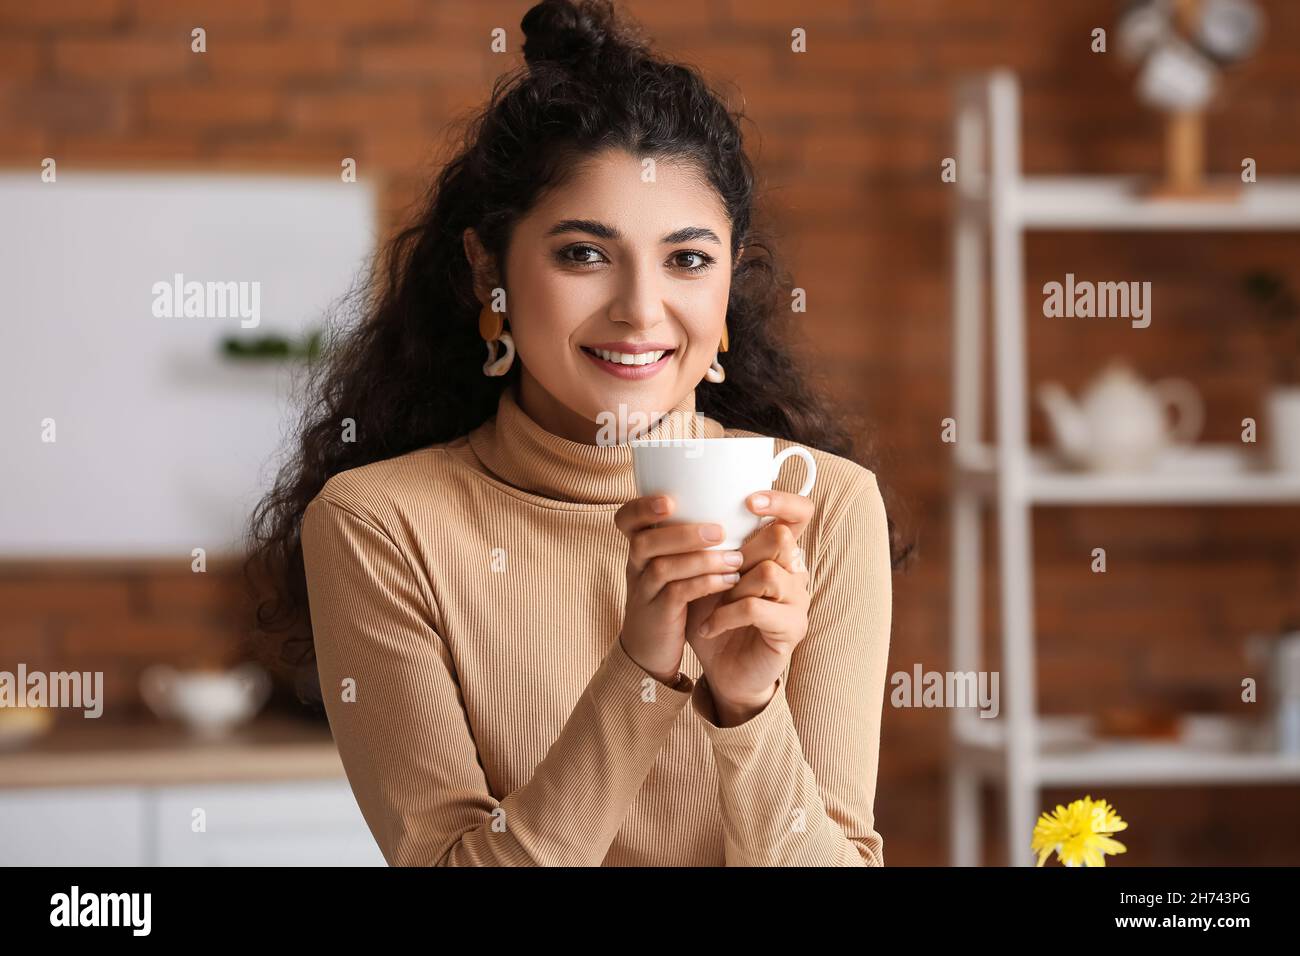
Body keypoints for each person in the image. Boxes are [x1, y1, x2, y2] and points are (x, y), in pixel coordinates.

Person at [246, 0, 906, 867]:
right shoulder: (378, 524)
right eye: (584, 255)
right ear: (490, 270)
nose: (640, 310)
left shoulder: (824, 503)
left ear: (729, 286)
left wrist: (748, 710)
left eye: (688, 259)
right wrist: (641, 672)